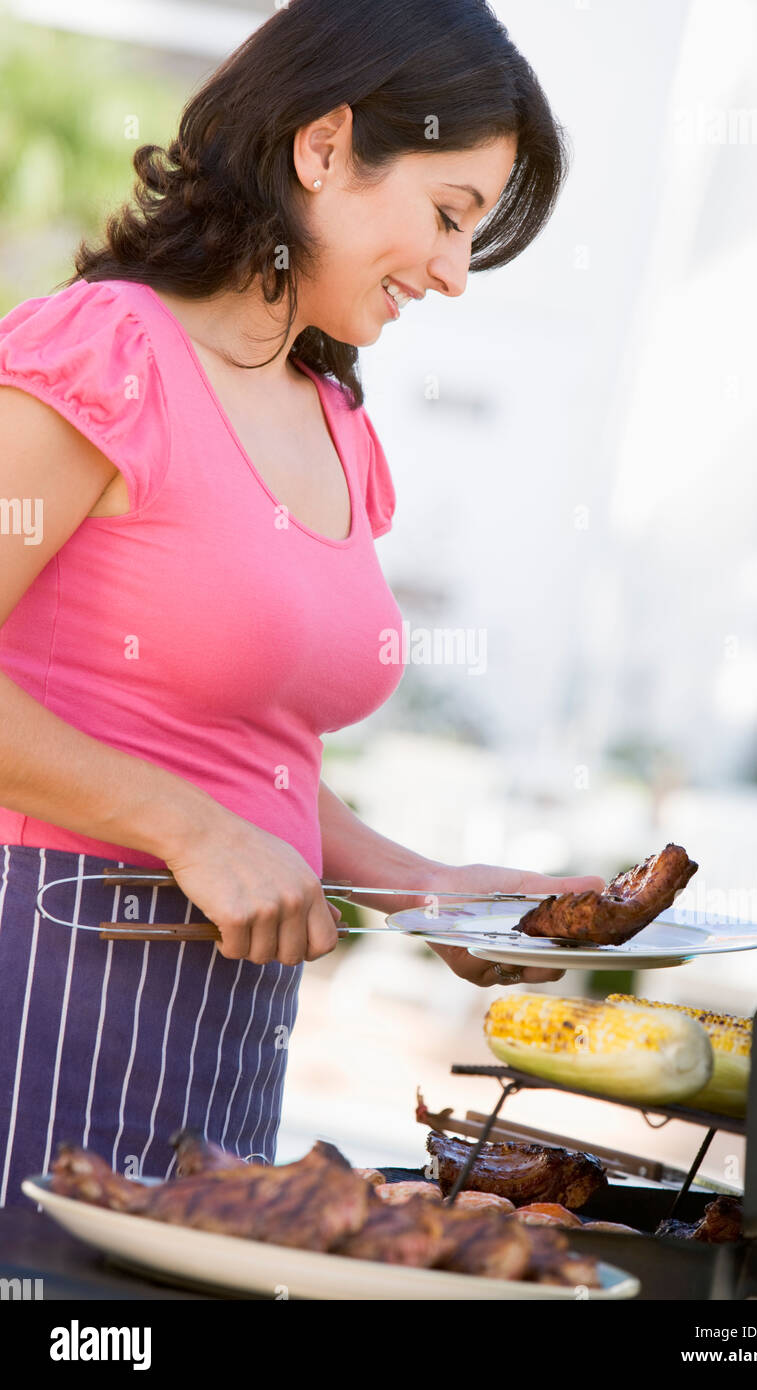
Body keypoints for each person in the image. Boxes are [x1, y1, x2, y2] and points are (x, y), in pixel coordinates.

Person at [0, 0, 603, 1207]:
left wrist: (417, 883)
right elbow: (204, 804)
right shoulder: (105, 353)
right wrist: (186, 828)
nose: (451, 272)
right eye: (445, 218)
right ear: (321, 148)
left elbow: (250, 757)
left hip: (233, 1019)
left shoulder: (333, 421)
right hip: (45, 976)